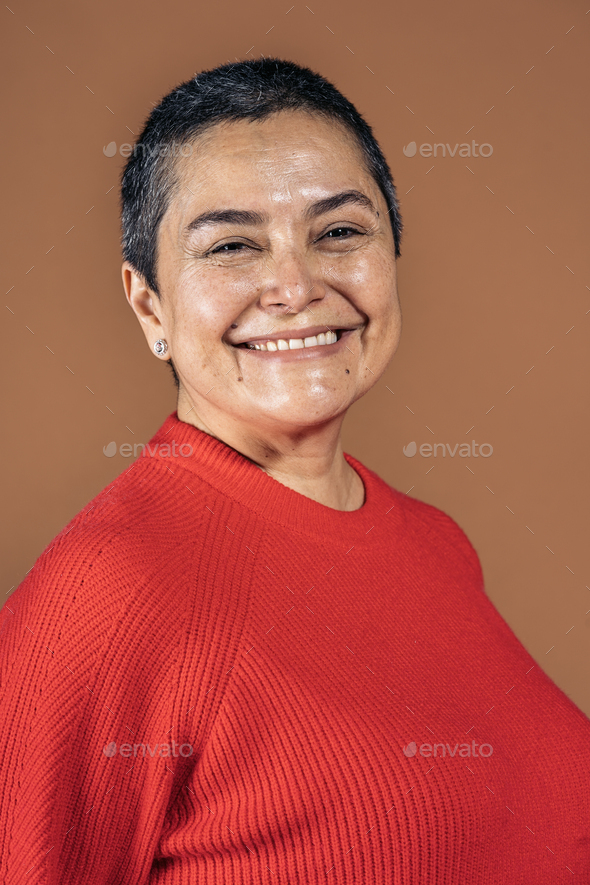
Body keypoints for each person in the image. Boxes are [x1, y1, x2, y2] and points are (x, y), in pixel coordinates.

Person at [1, 58, 588, 884]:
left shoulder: (435, 542)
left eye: (340, 231)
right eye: (233, 245)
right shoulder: (106, 592)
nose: (295, 285)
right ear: (149, 305)